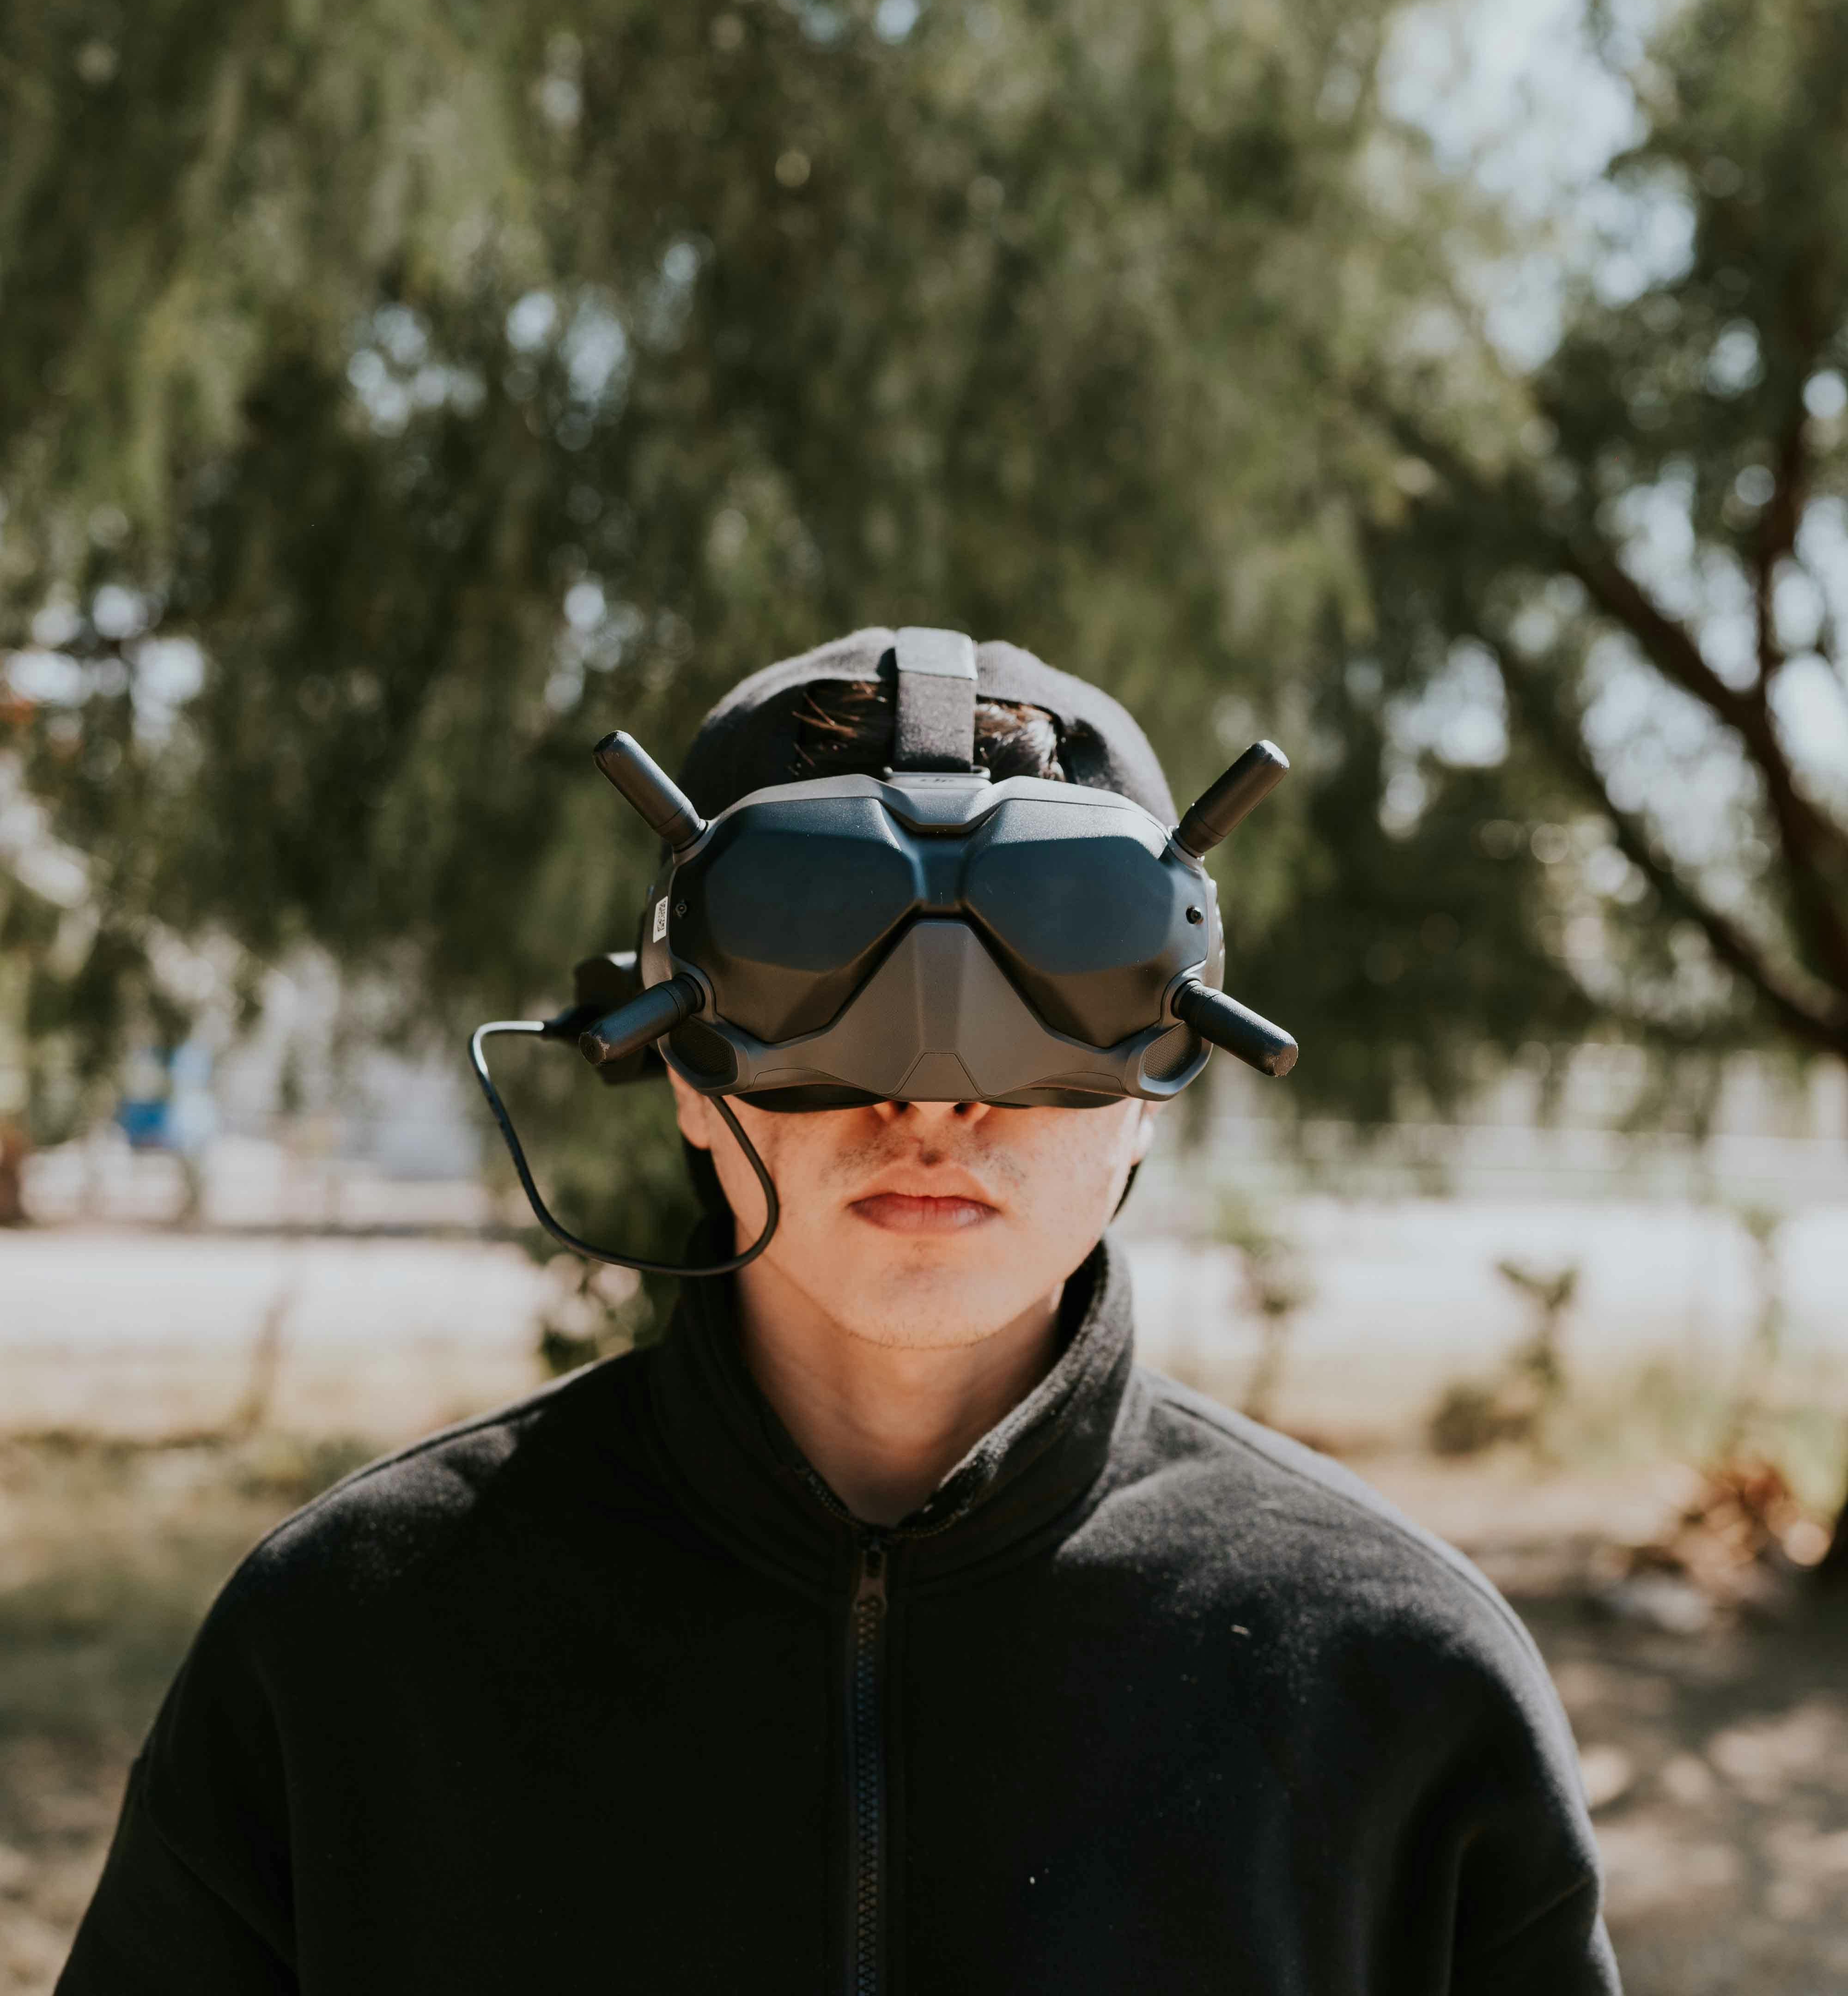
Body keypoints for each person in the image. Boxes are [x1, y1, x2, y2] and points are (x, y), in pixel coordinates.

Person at [60, 630, 1619, 1995]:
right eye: (813, 944)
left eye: (1058, 957)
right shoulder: (345, 1648)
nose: (931, 1091)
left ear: (1166, 1066)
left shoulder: (1400, 1685)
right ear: (672, 1052)